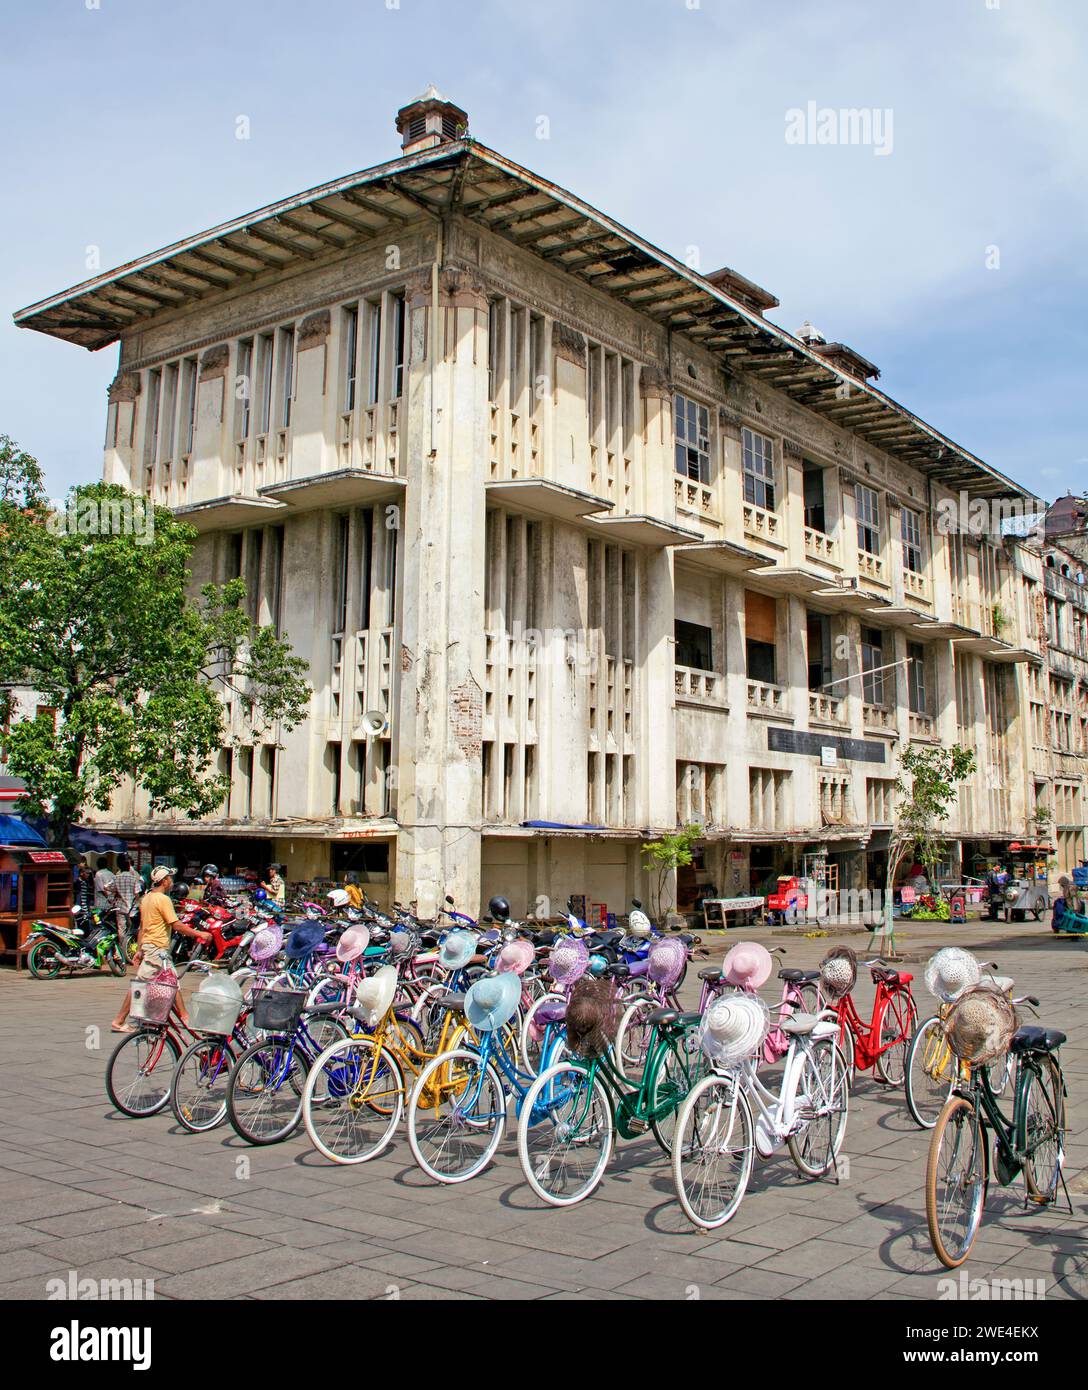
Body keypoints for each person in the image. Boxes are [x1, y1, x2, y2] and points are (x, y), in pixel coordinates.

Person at [109, 866, 210, 1032]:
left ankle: (184, 1016)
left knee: (171, 982)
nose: (171, 881)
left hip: (151, 947)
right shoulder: (163, 900)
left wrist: (140, 950)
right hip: (157, 949)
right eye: (169, 878)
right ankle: (119, 1020)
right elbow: (176, 925)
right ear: (164, 881)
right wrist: (200, 934)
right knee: (144, 984)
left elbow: (143, 927)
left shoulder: (147, 898)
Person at [112, 854, 143, 940]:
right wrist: (139, 904)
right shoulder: (134, 878)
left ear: (119, 866)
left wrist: (116, 892)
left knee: (121, 928)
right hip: (132, 908)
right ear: (129, 865)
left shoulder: (116, 877)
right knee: (131, 928)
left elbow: (106, 887)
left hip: (120, 907)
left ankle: (121, 947)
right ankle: (129, 945)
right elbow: (137, 894)